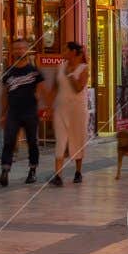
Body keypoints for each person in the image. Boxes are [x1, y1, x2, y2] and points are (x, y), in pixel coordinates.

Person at [0, 39, 47, 186]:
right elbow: (5, 94)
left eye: (21, 48)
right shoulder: (9, 71)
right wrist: (3, 114)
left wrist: (45, 107)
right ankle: (5, 172)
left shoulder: (34, 71)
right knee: (9, 141)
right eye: (16, 48)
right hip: (13, 112)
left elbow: (42, 89)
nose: (19, 51)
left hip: (30, 111)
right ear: (12, 51)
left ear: (26, 50)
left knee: (32, 142)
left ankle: (32, 171)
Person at [51, 41, 90, 185]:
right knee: (60, 141)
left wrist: (70, 74)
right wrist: (50, 106)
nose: (63, 53)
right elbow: (55, 87)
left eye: (65, 50)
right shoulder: (60, 67)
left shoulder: (84, 68)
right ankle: (58, 175)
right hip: (61, 109)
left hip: (77, 110)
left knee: (77, 139)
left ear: (73, 52)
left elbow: (79, 88)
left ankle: (78, 172)